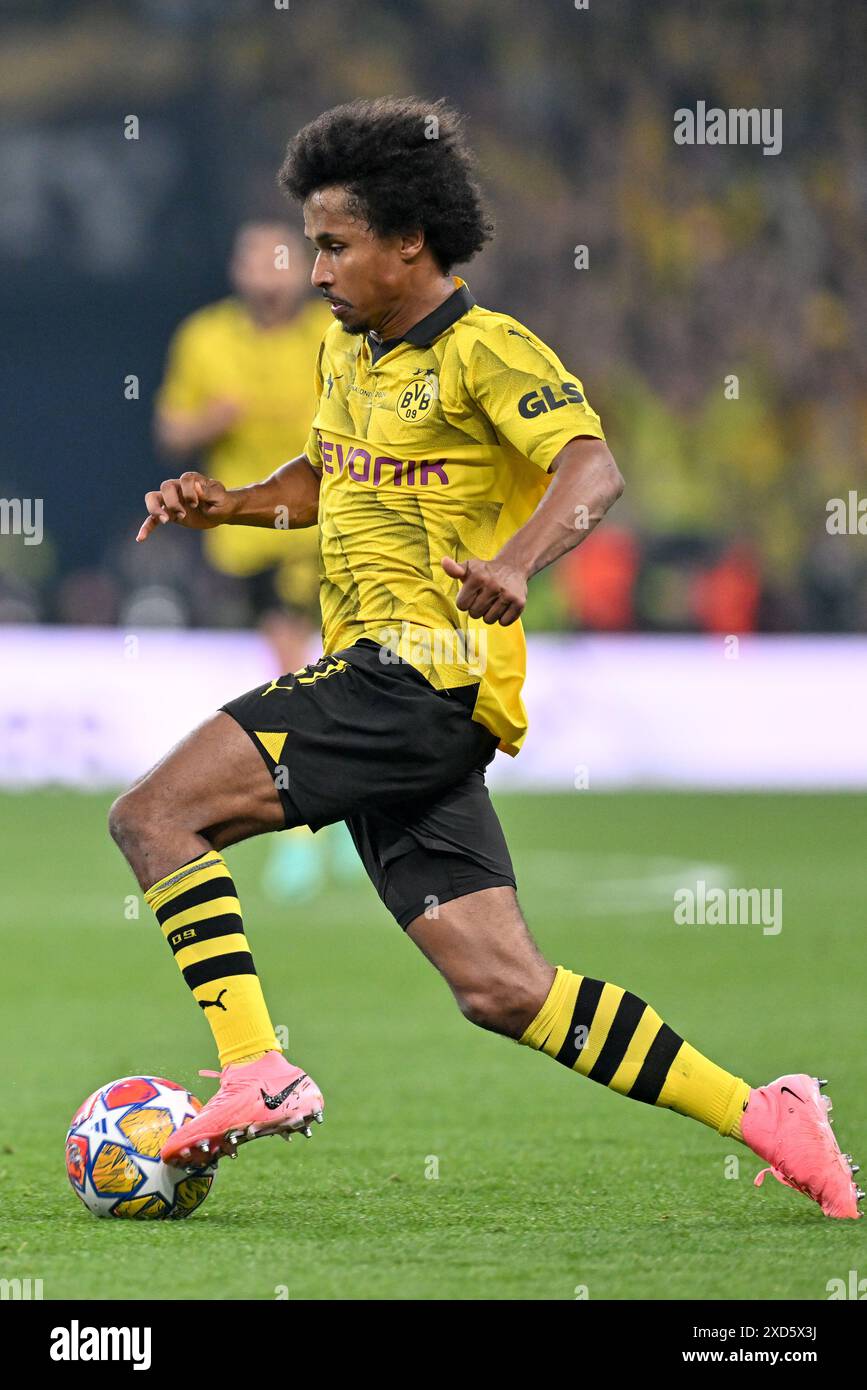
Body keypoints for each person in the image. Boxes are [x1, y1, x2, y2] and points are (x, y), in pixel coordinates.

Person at [110, 97, 860, 1219]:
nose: (314, 270)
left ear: (408, 241)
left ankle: (257, 1066)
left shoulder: (487, 350)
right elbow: (323, 486)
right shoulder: (347, 353)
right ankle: (767, 1110)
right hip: (398, 698)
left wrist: (515, 562)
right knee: (505, 989)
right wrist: (230, 503)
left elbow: (592, 470)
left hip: (417, 676)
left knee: (153, 817)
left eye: (334, 244)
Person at [155, 220, 344, 899]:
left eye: (279, 258)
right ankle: (342, 813)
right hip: (242, 537)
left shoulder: (333, 335)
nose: (266, 271)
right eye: (253, 258)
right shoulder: (205, 337)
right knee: (301, 671)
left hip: (323, 529)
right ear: (237, 270)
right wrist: (213, 420)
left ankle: (308, 827)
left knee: (302, 667)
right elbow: (170, 428)